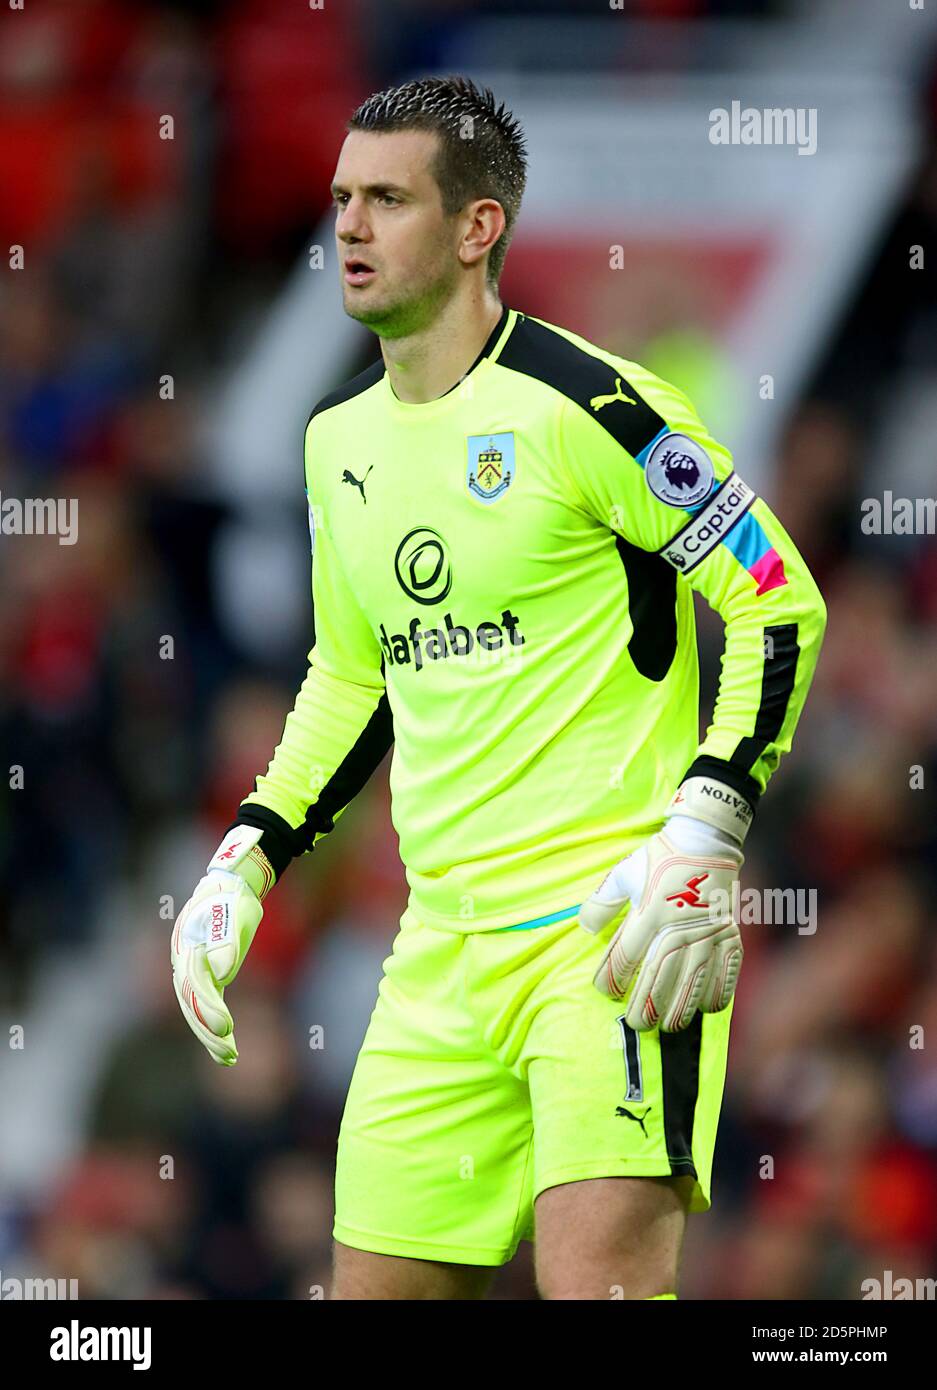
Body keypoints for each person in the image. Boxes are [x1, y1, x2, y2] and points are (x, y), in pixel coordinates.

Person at [170, 75, 827, 1300]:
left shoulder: (592, 408)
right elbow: (352, 673)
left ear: (478, 229)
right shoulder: (336, 443)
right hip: (435, 961)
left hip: (614, 935)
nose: (348, 229)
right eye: (339, 200)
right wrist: (245, 856)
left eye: (385, 200)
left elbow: (773, 590)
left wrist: (709, 820)